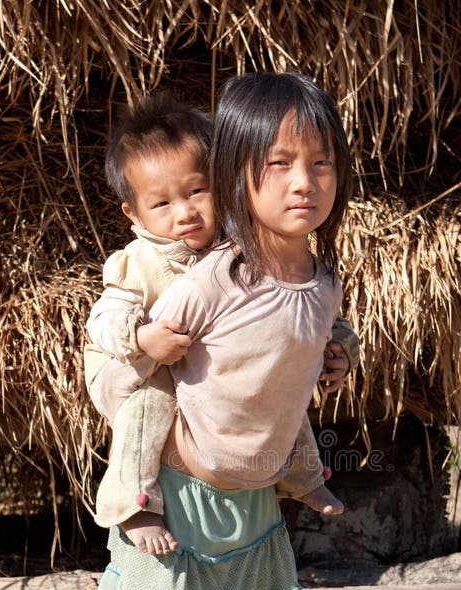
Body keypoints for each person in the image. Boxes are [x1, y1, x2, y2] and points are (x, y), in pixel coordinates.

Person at [85, 71, 352, 590]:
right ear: (242, 171)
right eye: (276, 165)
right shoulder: (213, 276)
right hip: (177, 494)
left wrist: (338, 357)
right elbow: (127, 359)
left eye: (319, 164)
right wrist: (144, 350)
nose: (301, 182)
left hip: (250, 499)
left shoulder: (320, 281)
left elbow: (302, 351)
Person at [84, 92, 360, 555]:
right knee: (151, 404)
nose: (185, 212)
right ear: (134, 214)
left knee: (284, 375)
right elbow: (104, 322)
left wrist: (341, 346)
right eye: (163, 204)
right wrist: (141, 337)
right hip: (133, 369)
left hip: (182, 365)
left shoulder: (241, 251)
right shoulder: (139, 262)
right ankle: (133, 502)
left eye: (196, 192)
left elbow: (304, 321)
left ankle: (305, 476)